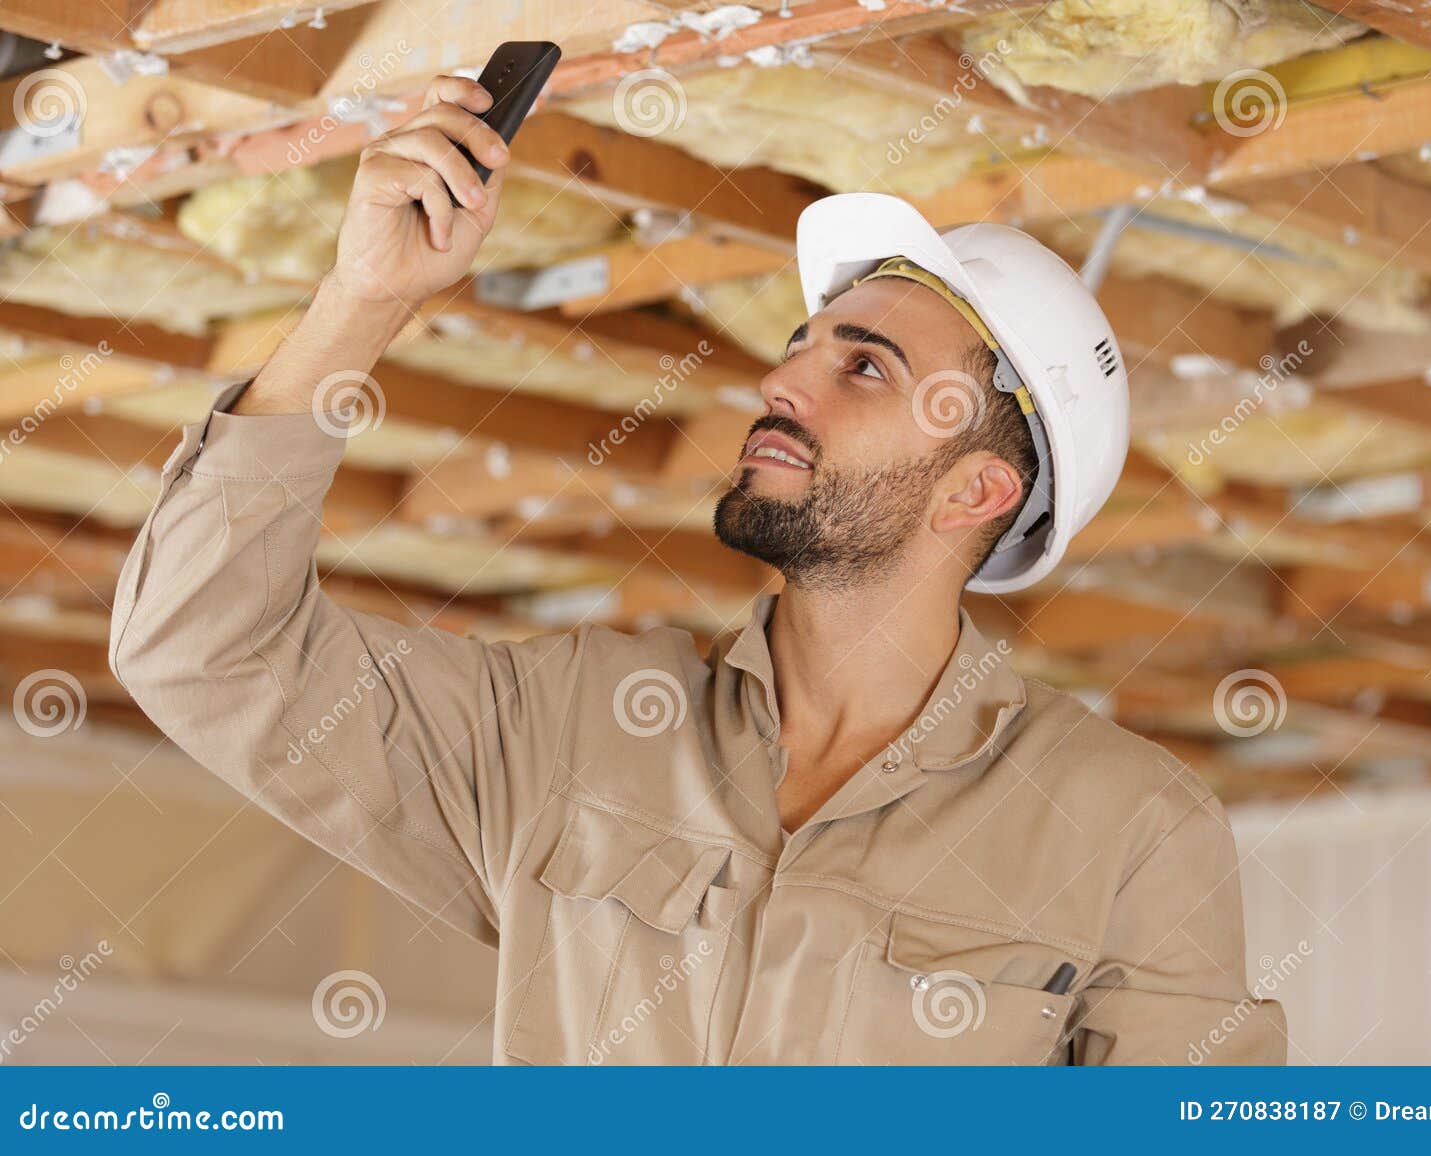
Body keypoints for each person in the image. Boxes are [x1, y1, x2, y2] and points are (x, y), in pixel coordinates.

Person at [111, 75, 1286, 1065]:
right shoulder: (562, 730)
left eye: (863, 368)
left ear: (975, 491)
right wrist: (361, 303)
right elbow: (204, 646)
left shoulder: (1128, 829)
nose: (784, 383)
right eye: (800, 347)